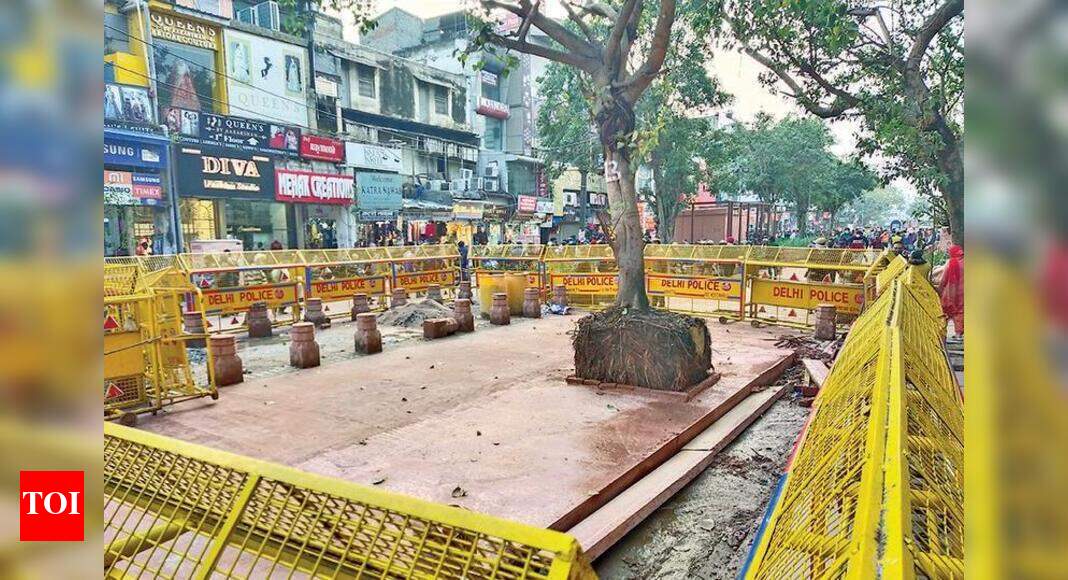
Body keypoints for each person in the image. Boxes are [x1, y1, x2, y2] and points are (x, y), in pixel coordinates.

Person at [938, 245, 964, 338]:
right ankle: (959, 332)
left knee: (948, 310)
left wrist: (939, 290)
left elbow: (944, 279)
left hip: (952, 291)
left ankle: (944, 331)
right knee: (961, 311)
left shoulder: (951, 262)